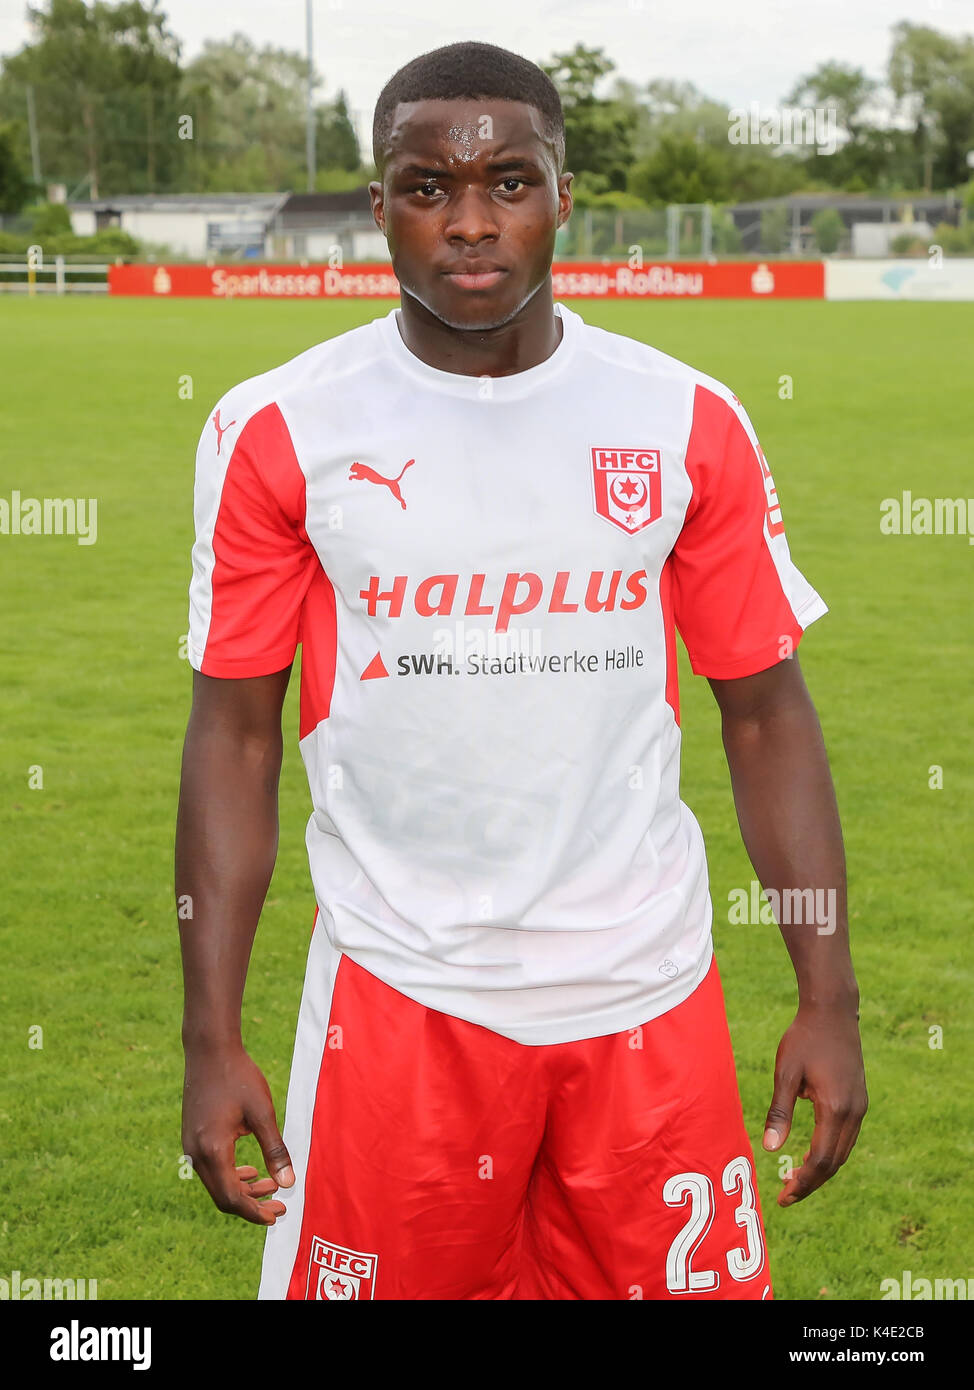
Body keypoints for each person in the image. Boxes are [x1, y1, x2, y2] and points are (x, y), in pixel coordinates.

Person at [175, 40, 867, 1302]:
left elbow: (764, 717)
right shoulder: (279, 426)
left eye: (509, 180)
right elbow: (234, 737)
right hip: (399, 1001)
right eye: (427, 188)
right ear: (376, 207)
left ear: (563, 194)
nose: (470, 223)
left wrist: (829, 996)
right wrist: (210, 1037)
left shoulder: (682, 419)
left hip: (649, 1000)